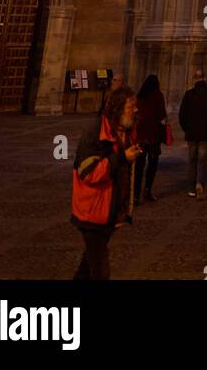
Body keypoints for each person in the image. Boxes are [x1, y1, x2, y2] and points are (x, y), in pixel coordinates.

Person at [71, 85, 140, 280]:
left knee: (88, 266)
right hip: (93, 211)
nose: (136, 110)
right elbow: (89, 173)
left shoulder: (123, 130)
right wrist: (123, 158)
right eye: (131, 106)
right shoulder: (95, 132)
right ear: (118, 108)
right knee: (100, 272)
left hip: (109, 211)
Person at [178, 69, 207, 199]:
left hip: (192, 134)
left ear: (194, 79)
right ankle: (199, 183)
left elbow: (182, 115)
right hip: (205, 133)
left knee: (192, 160)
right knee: (202, 161)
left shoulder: (188, 95)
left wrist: (186, 128)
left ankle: (191, 188)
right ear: (204, 78)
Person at [134, 74, 167, 204]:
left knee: (139, 166)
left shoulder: (139, 96)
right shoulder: (158, 96)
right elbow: (161, 115)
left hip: (141, 136)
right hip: (153, 135)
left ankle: (135, 194)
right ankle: (147, 190)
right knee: (152, 164)